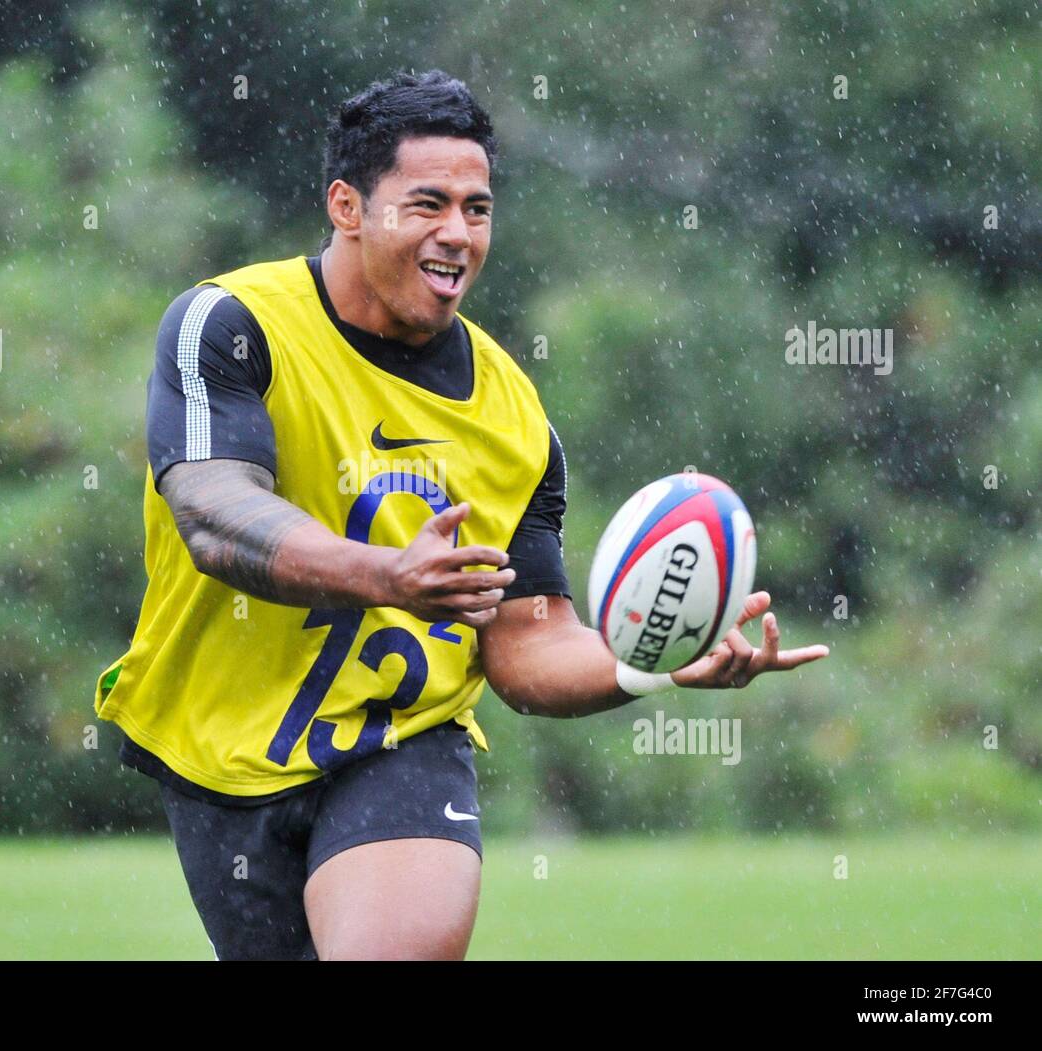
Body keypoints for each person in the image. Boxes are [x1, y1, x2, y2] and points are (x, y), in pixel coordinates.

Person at [94, 69, 829, 961]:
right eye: (428, 204)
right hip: (215, 749)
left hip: (398, 742)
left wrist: (656, 662)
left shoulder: (514, 416)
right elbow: (212, 514)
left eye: (477, 209)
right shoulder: (230, 325)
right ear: (347, 206)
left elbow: (526, 645)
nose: (458, 234)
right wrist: (386, 576)